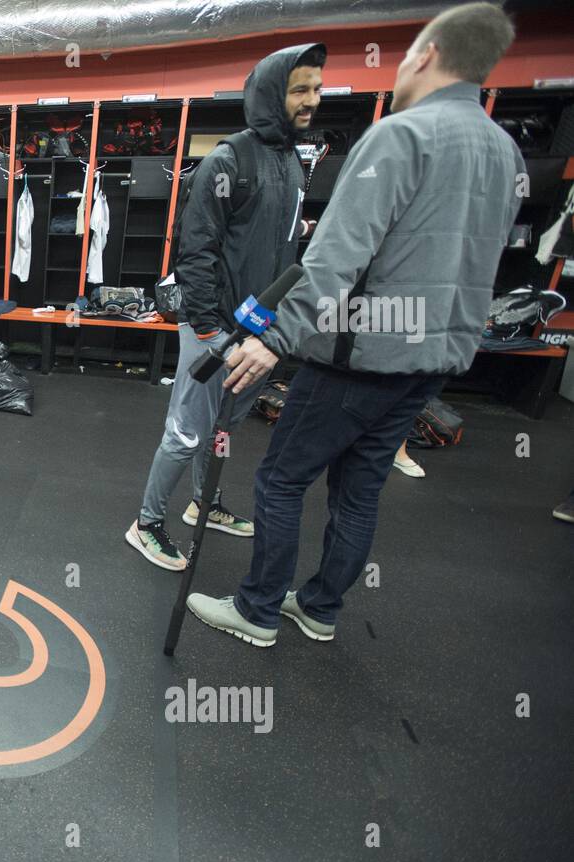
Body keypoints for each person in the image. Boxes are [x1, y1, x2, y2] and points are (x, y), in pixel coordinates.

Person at [187, 2, 524, 646]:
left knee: (281, 478)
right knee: (360, 487)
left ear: (425, 56)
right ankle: (319, 607)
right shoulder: (502, 149)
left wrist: (274, 339)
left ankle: (257, 610)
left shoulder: (401, 134)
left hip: (361, 355)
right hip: (433, 361)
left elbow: (335, 259)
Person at [126, 43, 327, 571]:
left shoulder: (291, 164)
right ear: (271, 94)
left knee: (222, 428)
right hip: (213, 326)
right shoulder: (228, 159)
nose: (312, 99)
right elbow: (196, 251)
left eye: (317, 89)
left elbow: (277, 241)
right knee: (186, 430)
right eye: (300, 89)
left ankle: (205, 503)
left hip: (259, 328)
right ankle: (146, 524)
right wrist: (211, 328)